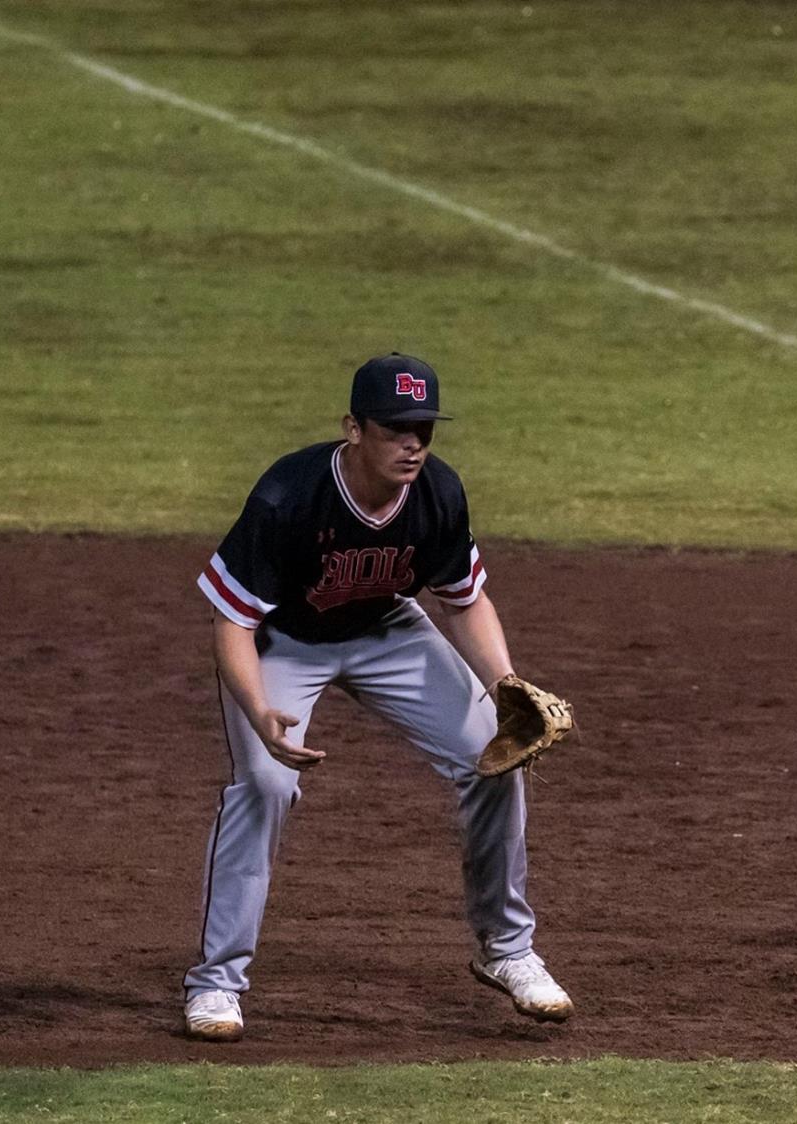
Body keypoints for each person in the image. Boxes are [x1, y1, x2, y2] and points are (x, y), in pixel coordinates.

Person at [181, 352, 572, 1042]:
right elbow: (234, 622)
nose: (413, 443)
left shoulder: (438, 494)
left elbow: (463, 600)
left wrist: (504, 685)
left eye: (423, 427)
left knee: (497, 751)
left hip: (386, 628)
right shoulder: (288, 496)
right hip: (282, 644)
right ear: (353, 429)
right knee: (265, 785)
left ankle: (507, 951)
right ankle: (216, 984)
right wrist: (259, 712)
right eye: (395, 427)